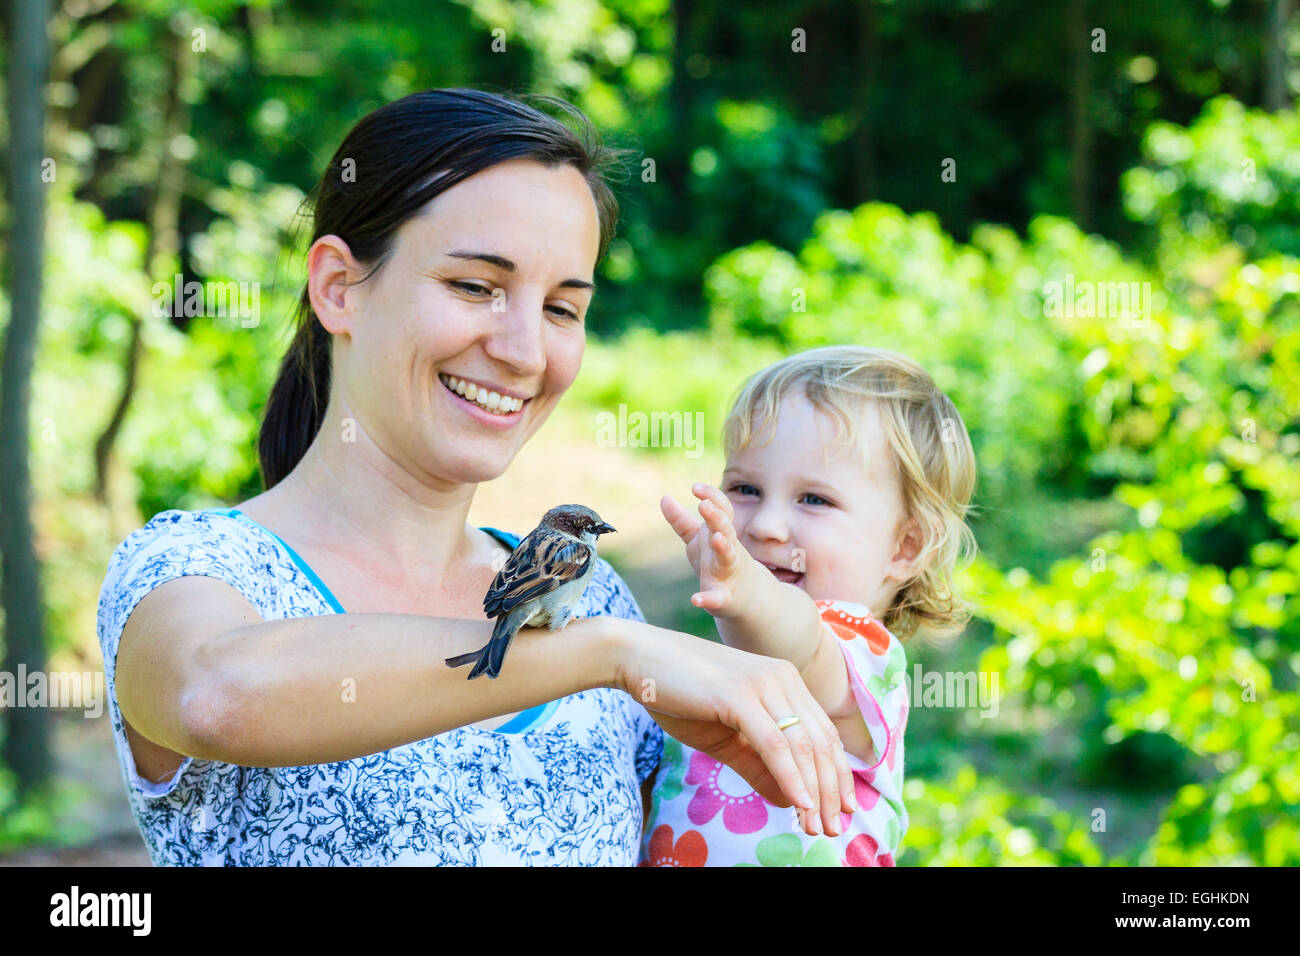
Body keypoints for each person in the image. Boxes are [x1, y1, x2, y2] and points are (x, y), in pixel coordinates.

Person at [96, 88, 856, 866]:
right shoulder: (192, 568)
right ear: (337, 288)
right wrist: (606, 654)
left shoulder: (597, 604)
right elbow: (216, 695)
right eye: (474, 286)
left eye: (563, 308)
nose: (525, 351)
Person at [640, 346, 978, 866]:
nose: (765, 525)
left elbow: (800, 645)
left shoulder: (862, 654)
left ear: (904, 548)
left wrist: (751, 593)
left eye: (814, 499)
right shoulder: (717, 668)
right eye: (746, 488)